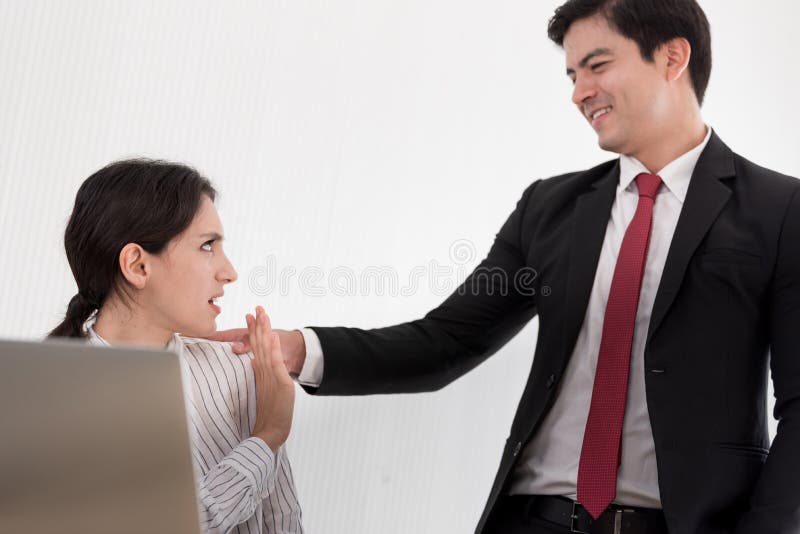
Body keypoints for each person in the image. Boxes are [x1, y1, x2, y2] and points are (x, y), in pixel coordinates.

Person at [215, 0, 800, 532]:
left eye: (597, 65)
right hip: (531, 521)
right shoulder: (550, 208)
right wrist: (299, 349)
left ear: (673, 57)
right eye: (573, 75)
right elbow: (447, 341)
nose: (579, 92)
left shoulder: (779, 210)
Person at [49, 159, 303, 534]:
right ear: (137, 265)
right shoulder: (54, 394)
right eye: (207, 246)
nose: (229, 271)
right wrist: (266, 438)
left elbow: (282, 522)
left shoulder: (241, 371)